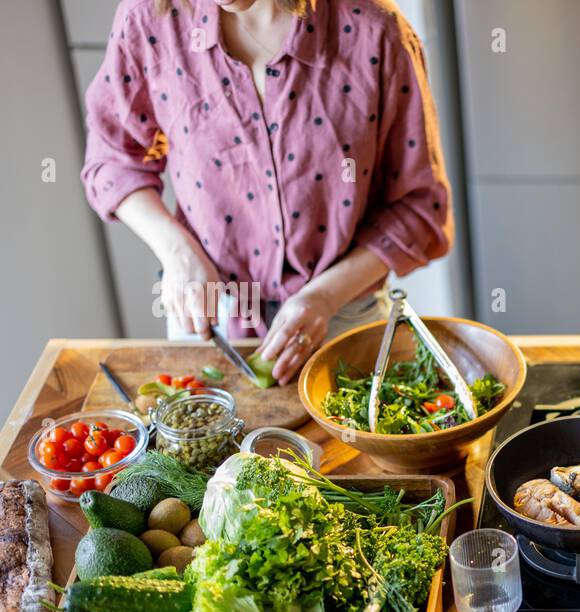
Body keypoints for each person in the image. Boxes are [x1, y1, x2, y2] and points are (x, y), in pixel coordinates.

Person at [81, 0, 453, 384]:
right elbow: (112, 160)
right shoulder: (149, 18)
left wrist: (323, 297)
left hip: (343, 315)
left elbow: (421, 206)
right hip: (212, 316)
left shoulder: (375, 31)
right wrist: (177, 253)